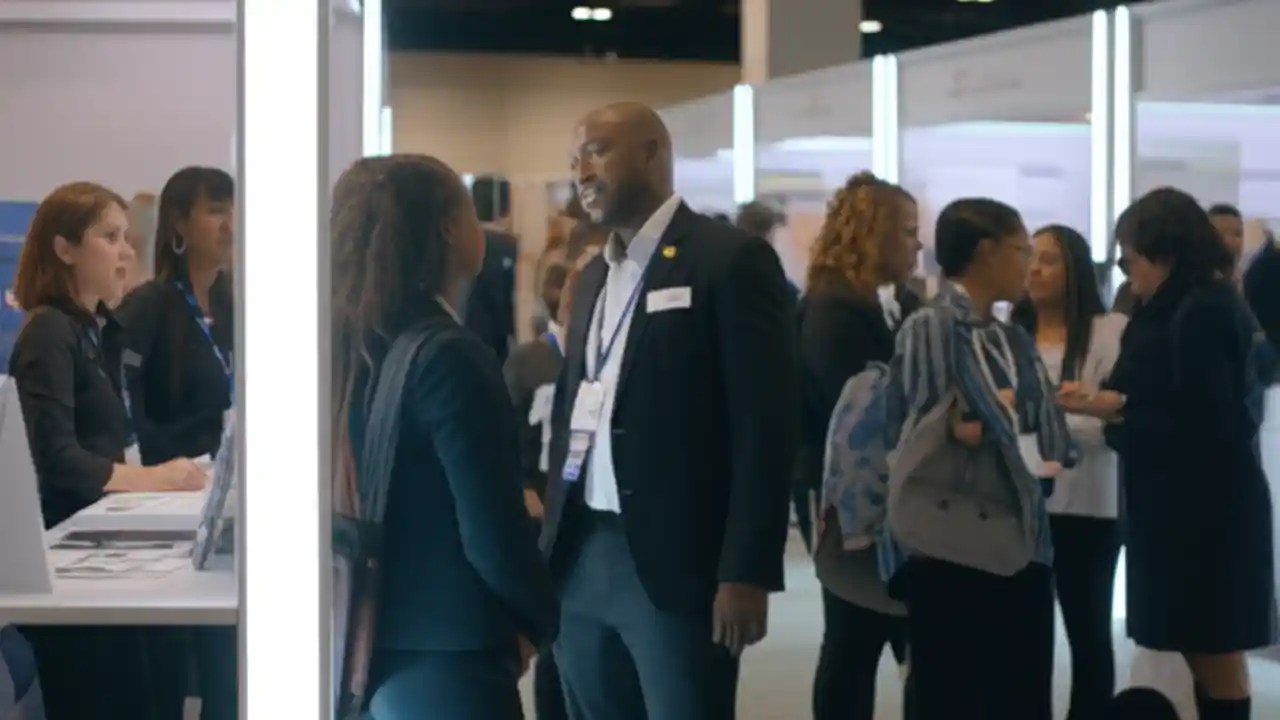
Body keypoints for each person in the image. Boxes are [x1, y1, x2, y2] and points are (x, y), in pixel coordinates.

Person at [542, 102, 797, 720]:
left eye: (598, 151)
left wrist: (747, 569)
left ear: (652, 153)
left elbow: (765, 427)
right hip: (583, 555)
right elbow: (576, 408)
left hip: (680, 566)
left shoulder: (728, 260)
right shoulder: (596, 277)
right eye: (577, 157)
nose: (582, 171)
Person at [330, 155, 559, 720]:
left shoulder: (349, 342)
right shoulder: (449, 355)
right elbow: (490, 528)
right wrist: (538, 617)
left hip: (367, 637)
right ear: (449, 229)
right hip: (451, 650)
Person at [1062, 187, 1277, 720]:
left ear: (1161, 248)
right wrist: (1117, 404)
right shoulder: (1180, 304)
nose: (1124, 267)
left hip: (1205, 512)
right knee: (1200, 645)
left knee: (1213, 647)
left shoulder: (1201, 308)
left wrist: (1119, 414)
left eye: (1128, 254)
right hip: (1186, 505)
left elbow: (1208, 421)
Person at [9, 181, 206, 719]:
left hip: (100, 542)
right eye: (110, 237)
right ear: (64, 248)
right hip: (69, 564)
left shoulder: (92, 331)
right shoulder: (49, 333)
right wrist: (157, 479)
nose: (126, 251)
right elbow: (58, 460)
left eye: (126, 237)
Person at [886, 198, 1076, 720]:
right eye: (1022, 251)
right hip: (952, 544)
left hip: (1023, 539)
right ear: (986, 252)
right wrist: (975, 425)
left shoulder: (1011, 336)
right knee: (957, 695)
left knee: (1020, 696)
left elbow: (1053, 440)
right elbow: (914, 436)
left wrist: (1001, 422)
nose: (1029, 266)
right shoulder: (933, 328)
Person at [115, 166, 238, 719]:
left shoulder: (241, 305)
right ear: (179, 224)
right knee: (167, 672)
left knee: (230, 667)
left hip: (228, 505)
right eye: (215, 209)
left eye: (233, 207)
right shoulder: (151, 306)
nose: (229, 222)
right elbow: (120, 402)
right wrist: (160, 464)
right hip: (169, 506)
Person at [798, 172, 920, 720]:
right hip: (849, 501)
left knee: (864, 637)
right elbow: (854, 412)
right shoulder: (834, 310)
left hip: (866, 497)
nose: (918, 244)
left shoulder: (874, 303)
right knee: (853, 638)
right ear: (876, 234)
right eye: (909, 232)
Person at [1011, 224, 1127, 720]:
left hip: (1088, 505)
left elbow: (1119, 416)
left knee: (1088, 635)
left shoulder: (1110, 331)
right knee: (1024, 640)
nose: (1035, 269)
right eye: (1030, 258)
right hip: (1018, 506)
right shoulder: (1010, 336)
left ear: (1075, 269)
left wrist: (1053, 418)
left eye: (1049, 259)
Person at [465, 175, 519, 363]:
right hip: (496, 340)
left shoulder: (460, 243)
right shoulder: (507, 246)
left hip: (466, 332)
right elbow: (506, 301)